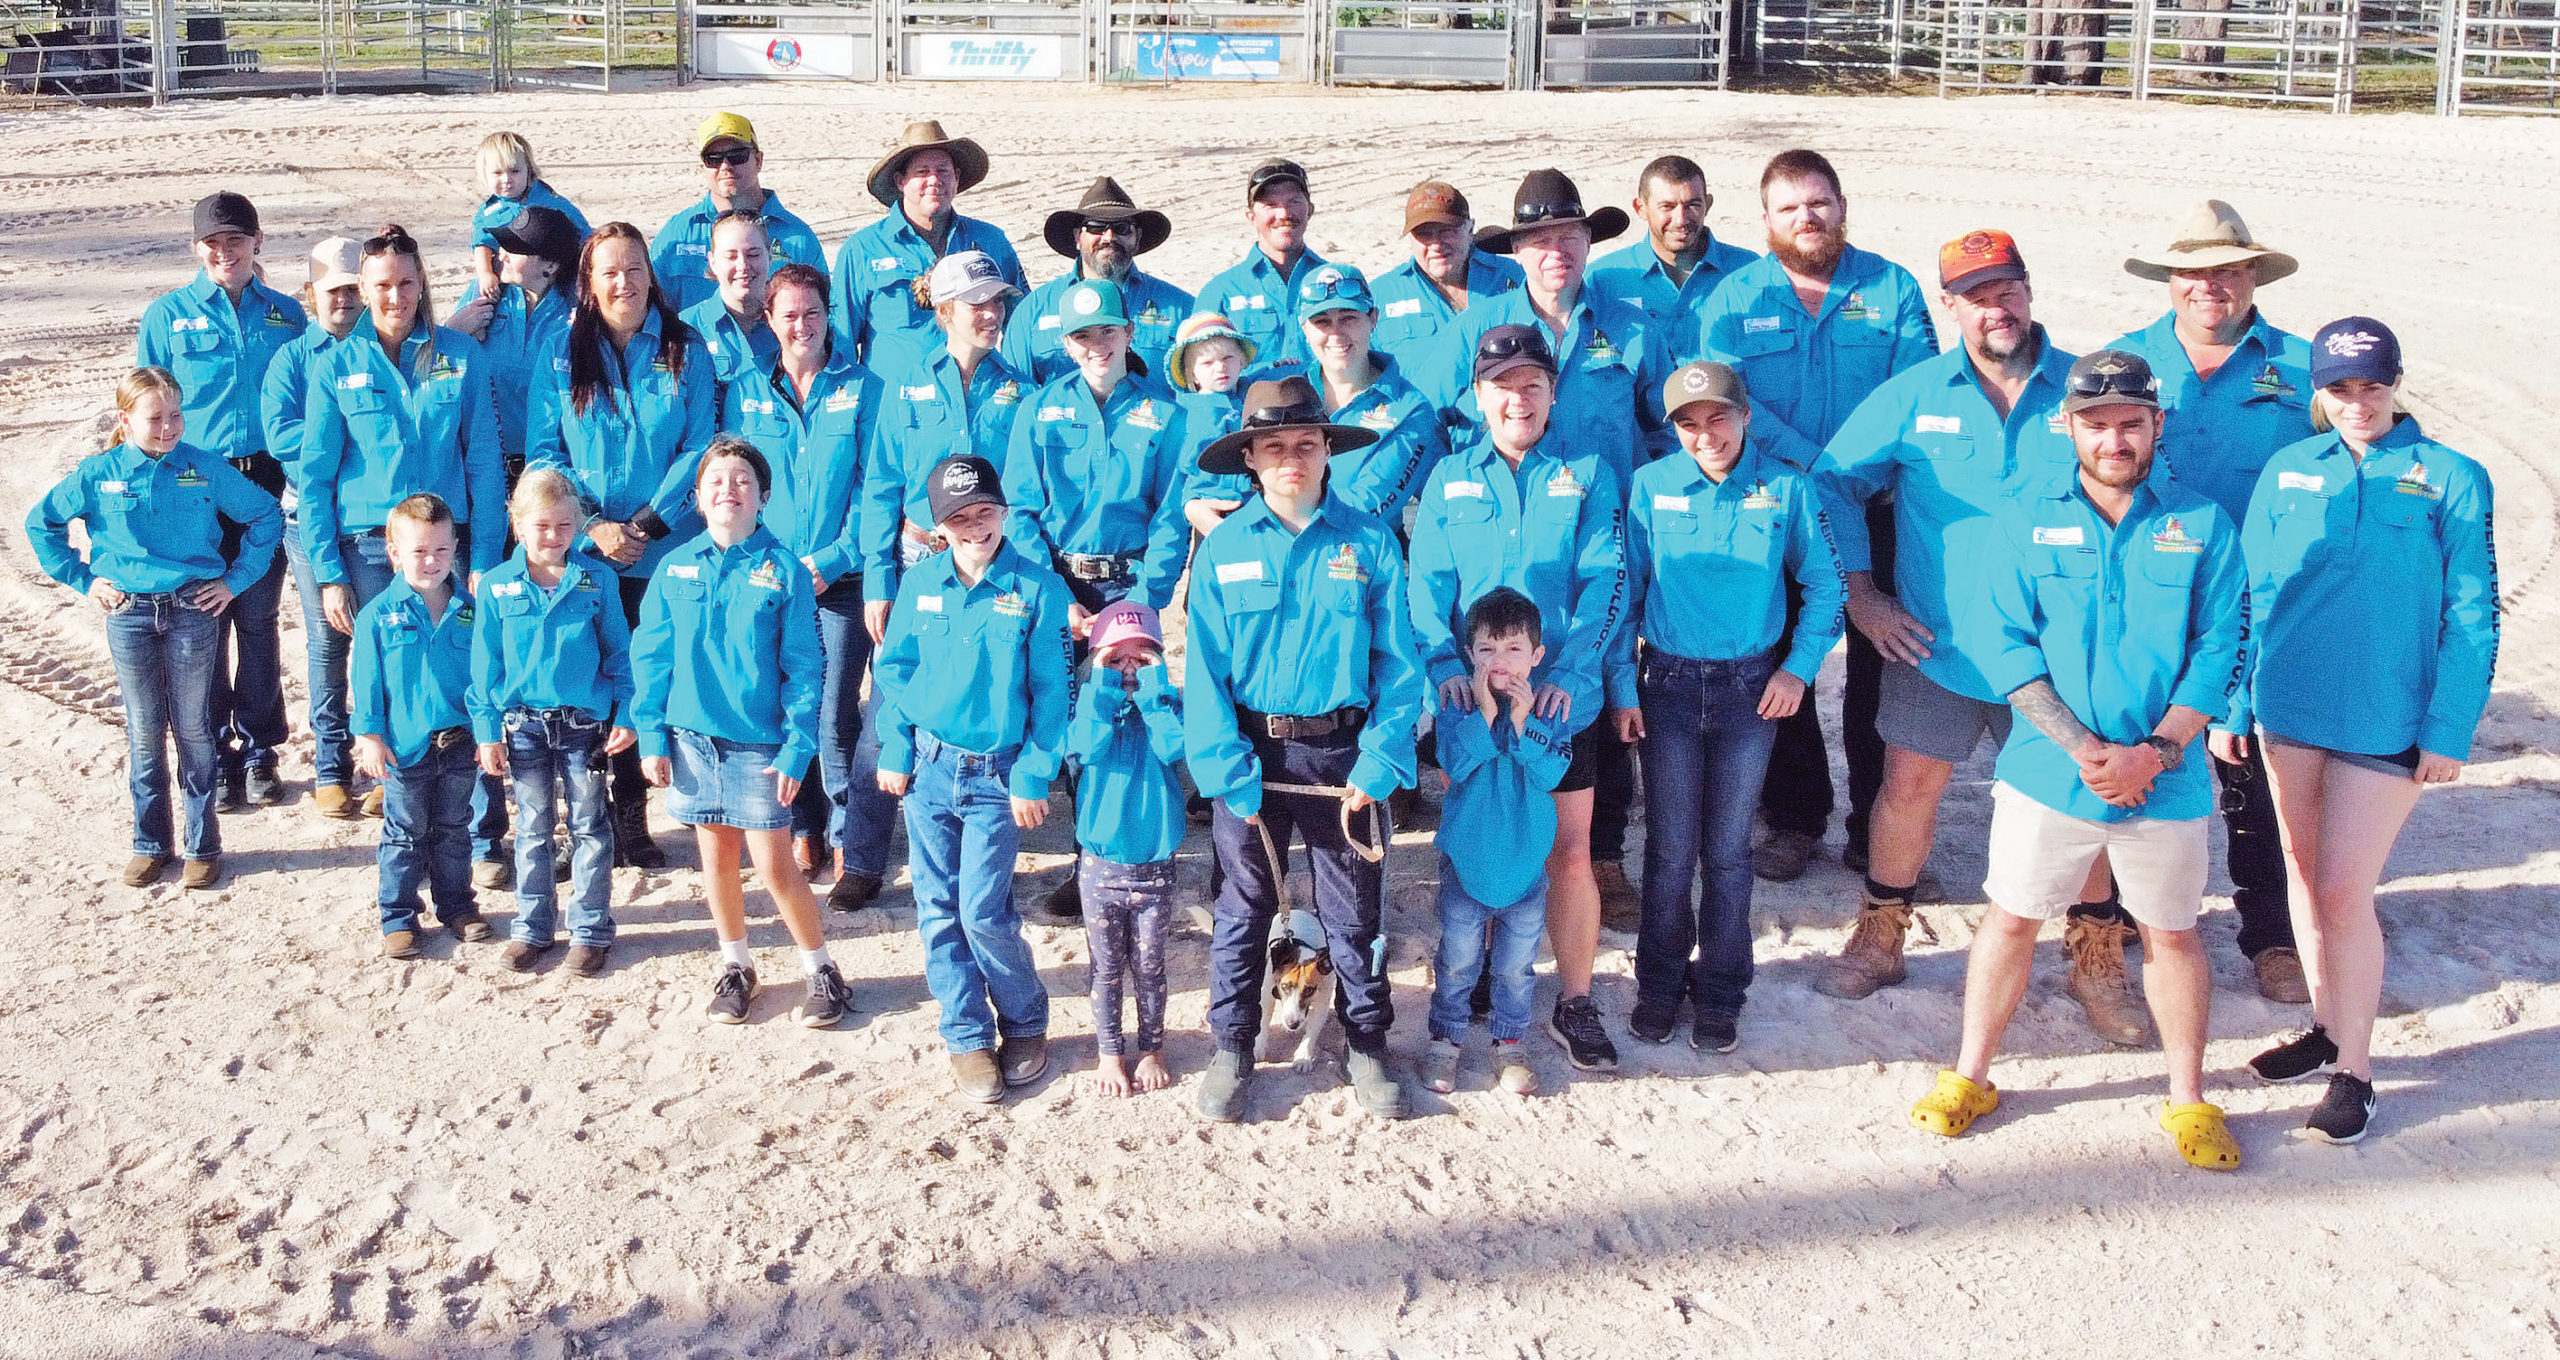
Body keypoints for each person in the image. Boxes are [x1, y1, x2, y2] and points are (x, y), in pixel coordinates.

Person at [1916, 349, 2248, 1172]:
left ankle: (2187, 1096)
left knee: (2172, 934)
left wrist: (2159, 751)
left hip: (2163, 783)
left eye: (2130, 423)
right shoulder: (2023, 518)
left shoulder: (2203, 522)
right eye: (2096, 425)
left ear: (2155, 424)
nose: (2114, 440)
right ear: (2069, 426)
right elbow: (2001, 643)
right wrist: (2085, 749)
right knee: (2012, 920)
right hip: (2048, 771)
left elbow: (2221, 648)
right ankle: (1972, 1075)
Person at [2228, 318, 2498, 1146]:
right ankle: (2325, 1025)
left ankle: (2358, 1073)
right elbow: (2249, 594)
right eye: (2339, 388)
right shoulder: (2286, 470)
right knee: (2306, 879)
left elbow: (2473, 613)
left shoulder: (2451, 476)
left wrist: (2449, 729)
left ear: (2396, 382)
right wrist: (2235, 704)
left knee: (2347, 892)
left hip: (2388, 717)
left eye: (2371, 385)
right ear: (2317, 388)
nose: (2356, 403)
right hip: (2291, 704)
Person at [1815, 229, 2079, 1002]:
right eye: (1974, 297)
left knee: (2077, 792)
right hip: (1942, 641)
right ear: (1949, 306)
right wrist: (1862, 596)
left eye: (2006, 290)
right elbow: (1831, 484)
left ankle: (2093, 945)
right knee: (1907, 789)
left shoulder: (2084, 388)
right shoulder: (1916, 393)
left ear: (2028, 289)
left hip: (2058, 648)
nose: (1994, 309)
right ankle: (1881, 930)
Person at [1695, 149, 1939, 889]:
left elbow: (1919, 386)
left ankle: (1874, 828)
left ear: (1841, 205)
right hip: (1780, 508)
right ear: (1765, 219)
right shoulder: (1733, 300)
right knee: (1780, 660)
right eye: (1790, 207)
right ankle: (1796, 818)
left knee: (1883, 667)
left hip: (1882, 505)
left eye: (1819, 202)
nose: (1808, 217)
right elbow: (1730, 402)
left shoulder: (1890, 287)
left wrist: (1855, 466)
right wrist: (1818, 462)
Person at [1430, 170, 1668, 928]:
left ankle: (1601, 856)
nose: (1555, 250)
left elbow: (1667, 427)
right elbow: (1418, 417)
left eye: (1569, 235)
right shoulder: (1480, 328)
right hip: (1494, 535)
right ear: (1518, 251)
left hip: (1601, 539)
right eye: (1539, 239)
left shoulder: (1630, 326)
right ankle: (1495, 865)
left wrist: (1664, 511)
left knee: (1596, 696)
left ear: (1589, 242)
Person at [1185, 376, 1423, 1123]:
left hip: (1345, 759)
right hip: (1251, 757)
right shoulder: (1223, 549)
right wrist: (1227, 767)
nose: (1293, 458)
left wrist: (1382, 758)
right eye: (1276, 446)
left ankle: (1366, 1044)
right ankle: (1233, 1044)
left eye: (1308, 444)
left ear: (1327, 452)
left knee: (1354, 914)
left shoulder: (1369, 541)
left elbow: (1400, 664)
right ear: (1250, 459)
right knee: (1245, 907)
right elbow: (1204, 673)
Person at [2108, 198, 2315, 1006]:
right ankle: (2124, 913)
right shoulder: (2123, 361)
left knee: (2250, 762)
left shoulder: (2302, 371)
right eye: (2191, 273)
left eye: (2226, 270)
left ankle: (2271, 931)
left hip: (2259, 600)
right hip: (2143, 592)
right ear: (2170, 280)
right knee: (2140, 740)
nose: (2208, 287)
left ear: (2253, 275)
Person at [1412, 325, 1629, 1072]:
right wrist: (1445, 664)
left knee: (1571, 855)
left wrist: (1570, 675)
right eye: (1502, 385)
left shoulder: (1588, 472)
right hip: (1471, 702)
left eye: (1533, 383)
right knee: (1475, 844)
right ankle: (1468, 992)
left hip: (1559, 705)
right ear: (1479, 396)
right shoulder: (1448, 479)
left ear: (1553, 392)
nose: (1519, 398)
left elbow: (1607, 579)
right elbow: (1427, 586)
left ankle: (1573, 1000)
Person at [1614, 362, 1844, 1053]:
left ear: (1746, 417)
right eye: (1687, 423)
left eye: (1718, 418)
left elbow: (1827, 586)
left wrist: (1798, 672)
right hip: (1669, 688)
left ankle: (1720, 991)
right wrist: (1623, 687)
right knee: (1669, 850)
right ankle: (1657, 986)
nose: (1705, 434)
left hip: (1751, 692)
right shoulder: (1651, 487)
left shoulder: (1786, 489)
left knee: (1728, 852)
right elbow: (1623, 591)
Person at [300, 224, 509, 874]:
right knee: (395, 681)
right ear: (363, 289)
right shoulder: (336, 367)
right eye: (382, 286)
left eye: (407, 284)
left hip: (453, 542)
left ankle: (484, 836)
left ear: (423, 285)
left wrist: (486, 559)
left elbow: (483, 462)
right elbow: (314, 477)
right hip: (372, 549)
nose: (396, 297)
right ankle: (408, 833)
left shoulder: (457, 357)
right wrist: (330, 573)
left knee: (472, 677)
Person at [27, 367, 281, 890]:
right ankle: (150, 844)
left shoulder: (204, 468)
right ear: (125, 420)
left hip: (193, 609)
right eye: (155, 418)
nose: (168, 427)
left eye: (176, 416)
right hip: (129, 614)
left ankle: (203, 845)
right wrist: (82, 578)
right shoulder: (98, 473)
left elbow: (266, 516)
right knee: (144, 733)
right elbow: (42, 524)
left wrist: (235, 581)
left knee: (193, 730)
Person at [871, 454, 1075, 1102]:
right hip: (929, 771)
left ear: (1003, 512)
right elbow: (895, 670)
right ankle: (966, 1035)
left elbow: (1052, 692)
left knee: (983, 911)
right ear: (939, 526)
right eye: (959, 516)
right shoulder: (921, 585)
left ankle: (1025, 1021)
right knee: (936, 909)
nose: (974, 525)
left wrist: (1035, 775)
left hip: (998, 777)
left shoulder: (1037, 588)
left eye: (984, 511)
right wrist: (896, 748)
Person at [631, 437, 847, 1029]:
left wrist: (799, 745)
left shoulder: (784, 572)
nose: (729, 488)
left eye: (743, 480)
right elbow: (650, 657)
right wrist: (650, 735)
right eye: (716, 480)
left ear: (765, 497)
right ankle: (736, 966)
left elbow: (805, 666)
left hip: (761, 747)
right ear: (698, 499)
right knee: (717, 859)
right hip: (693, 742)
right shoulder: (674, 567)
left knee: (776, 868)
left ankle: (822, 970)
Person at [526, 221, 717, 872]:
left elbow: (700, 446)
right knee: (582, 684)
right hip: (583, 552)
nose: (624, 282)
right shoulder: (560, 348)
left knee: (640, 682)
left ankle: (633, 821)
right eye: (609, 270)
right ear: (588, 282)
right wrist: (593, 526)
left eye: (635, 268)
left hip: (660, 551)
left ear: (651, 276)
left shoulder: (684, 347)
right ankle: (585, 826)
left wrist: (645, 526)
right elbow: (545, 452)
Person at [1002, 275, 1191, 924]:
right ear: (1066, 343)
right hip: (1064, 590)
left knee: (1134, 721)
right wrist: (1057, 596)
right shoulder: (1040, 410)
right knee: (1073, 726)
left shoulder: (1165, 416)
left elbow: (1172, 518)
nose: (1096, 346)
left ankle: (1134, 861)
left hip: (1130, 588)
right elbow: (1022, 514)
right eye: (1082, 336)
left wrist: (1141, 605)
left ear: (1129, 333)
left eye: (1107, 331)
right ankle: (1092, 862)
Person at [723, 264, 892, 908]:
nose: (802, 325)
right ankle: (804, 825)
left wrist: (836, 555)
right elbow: (737, 483)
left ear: (829, 316)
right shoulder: (744, 391)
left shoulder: (865, 388)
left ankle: (850, 835)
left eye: (813, 312)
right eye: (788, 315)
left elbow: (874, 486)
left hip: (840, 579)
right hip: (770, 579)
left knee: (833, 713)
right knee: (780, 705)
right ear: (769, 322)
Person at [138, 191, 305, 813]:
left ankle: (262, 750)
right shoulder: (168, 314)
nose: (224, 251)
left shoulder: (289, 316)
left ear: (257, 242)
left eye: (236, 240)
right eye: (213, 242)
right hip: (194, 483)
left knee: (257, 621)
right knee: (202, 620)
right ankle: (216, 754)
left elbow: (308, 395)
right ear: (196, 248)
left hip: (263, 480)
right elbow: (144, 407)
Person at [469, 468, 635, 977]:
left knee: (589, 825)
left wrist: (625, 714)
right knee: (533, 828)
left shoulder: (597, 579)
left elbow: (620, 656)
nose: (553, 537)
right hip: (523, 727)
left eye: (565, 526)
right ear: (516, 524)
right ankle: (532, 927)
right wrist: (485, 730)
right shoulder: (497, 587)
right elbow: (485, 666)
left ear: (579, 528)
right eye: (541, 525)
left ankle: (588, 930)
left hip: (584, 725)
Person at [1422, 587, 1567, 1099]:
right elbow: (1455, 765)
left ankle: (1510, 1043)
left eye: (1513, 650)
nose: (1500, 662)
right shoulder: (1456, 706)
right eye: (1487, 650)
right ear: (1469, 655)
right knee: (1459, 957)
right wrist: (1484, 713)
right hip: (1468, 859)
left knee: (1514, 964)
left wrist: (1524, 724)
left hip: (1525, 863)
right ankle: (1446, 1039)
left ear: (1536, 656)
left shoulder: (1549, 708)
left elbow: (1551, 773)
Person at [860, 252, 1032, 644]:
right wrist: (878, 579)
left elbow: (1029, 491)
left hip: (994, 558)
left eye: (998, 301)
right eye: (978, 303)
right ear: (945, 311)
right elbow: (882, 485)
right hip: (918, 558)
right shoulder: (904, 386)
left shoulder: (1024, 393)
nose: (993, 314)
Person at [350, 494, 491, 958]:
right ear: (394, 554)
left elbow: (485, 674)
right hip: (404, 745)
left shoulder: (471, 611)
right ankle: (398, 916)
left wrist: (488, 729)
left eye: (441, 551)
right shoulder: (377, 616)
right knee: (404, 834)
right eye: (418, 551)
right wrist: (369, 735)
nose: (431, 562)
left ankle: (456, 905)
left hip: (459, 741)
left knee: (455, 827)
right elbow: (366, 680)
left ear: (455, 548)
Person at [259, 235, 368, 819]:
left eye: (354, 290)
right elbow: (279, 436)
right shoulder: (293, 360)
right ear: (311, 296)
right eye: (334, 292)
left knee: (383, 641)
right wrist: (346, 445)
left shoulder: (383, 352)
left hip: (376, 524)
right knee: (328, 643)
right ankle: (331, 766)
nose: (344, 301)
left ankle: (389, 765)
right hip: (309, 521)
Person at [1065, 601, 1188, 1098]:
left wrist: (1156, 694)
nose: (1130, 670)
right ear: (1097, 663)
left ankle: (1152, 1047)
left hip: (1156, 866)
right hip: (1100, 867)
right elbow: (1084, 748)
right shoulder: (1090, 709)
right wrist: (1103, 686)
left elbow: (1174, 748)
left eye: (1142, 658)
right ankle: (1110, 1051)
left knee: (1152, 963)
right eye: (1116, 660)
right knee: (1106, 967)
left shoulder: (1168, 704)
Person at [832, 120, 1025, 365]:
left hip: (976, 395)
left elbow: (1021, 324)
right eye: (922, 172)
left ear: (956, 177)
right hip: (891, 399)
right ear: (900, 181)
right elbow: (841, 339)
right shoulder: (862, 249)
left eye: (943, 171)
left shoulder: (991, 241)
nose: (934, 180)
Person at [1271, 264, 1451, 524]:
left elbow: (1369, 505)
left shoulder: (1409, 409)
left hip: (1356, 555)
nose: (1336, 333)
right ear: (1304, 330)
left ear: (1373, 319)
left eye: (1348, 317)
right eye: (1322, 321)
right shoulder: (1281, 389)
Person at [1004, 176, 1194, 384]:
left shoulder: (1182, 308)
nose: (1109, 237)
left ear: (1137, 237)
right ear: (1077, 237)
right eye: (1096, 226)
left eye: (1122, 228)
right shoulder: (1034, 309)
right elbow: (1014, 391)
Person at [448, 206, 580, 492]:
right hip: (478, 470)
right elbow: (438, 373)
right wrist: (452, 331)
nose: (501, 255)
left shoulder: (575, 315)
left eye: (515, 249)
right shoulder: (481, 294)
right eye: (503, 245)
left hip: (548, 474)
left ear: (551, 266)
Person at [650, 112, 828, 316]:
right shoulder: (676, 234)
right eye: (713, 159)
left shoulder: (798, 238)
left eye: (737, 156)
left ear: (758, 160)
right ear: (703, 168)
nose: (726, 166)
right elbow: (650, 309)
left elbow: (825, 316)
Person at [1584, 155, 1757, 348]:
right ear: (1640, 208)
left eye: (1693, 205)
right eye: (1667, 206)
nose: (1681, 219)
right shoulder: (1602, 280)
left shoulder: (1749, 273)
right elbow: (1596, 360)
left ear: (1707, 205)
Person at [1368, 180, 1522, 373]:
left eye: (1447, 231)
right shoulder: (1380, 295)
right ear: (1410, 239)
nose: (1436, 245)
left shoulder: (1517, 277)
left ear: (1470, 229)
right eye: (1423, 234)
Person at [1197, 160, 1328, 372]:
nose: (1284, 214)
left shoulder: (1337, 282)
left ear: (1310, 210)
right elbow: (1200, 380)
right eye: (1270, 205)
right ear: (1251, 217)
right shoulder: (1221, 291)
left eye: (1294, 201)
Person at [468, 131, 588, 302]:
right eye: (497, 173)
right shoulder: (490, 211)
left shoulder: (548, 201)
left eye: (514, 171)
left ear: (529, 170)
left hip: (555, 276)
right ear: (484, 175)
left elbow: (584, 232)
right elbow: (482, 244)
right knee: (478, 292)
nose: (507, 179)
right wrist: (485, 273)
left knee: (575, 294)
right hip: (512, 276)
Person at [1169, 312, 1259, 537]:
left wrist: (1279, 363)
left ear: (1241, 361)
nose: (1220, 368)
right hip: (1207, 506)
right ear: (1193, 374)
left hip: (1253, 502)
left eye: (1228, 359)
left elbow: (1268, 372)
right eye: (1207, 363)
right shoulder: (1184, 411)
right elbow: (1180, 473)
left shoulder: (1250, 394)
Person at [680, 209, 780, 391]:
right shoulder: (686, 328)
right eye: (731, 256)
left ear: (770, 256)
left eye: (753, 254)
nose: (743, 266)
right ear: (712, 262)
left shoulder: (791, 324)